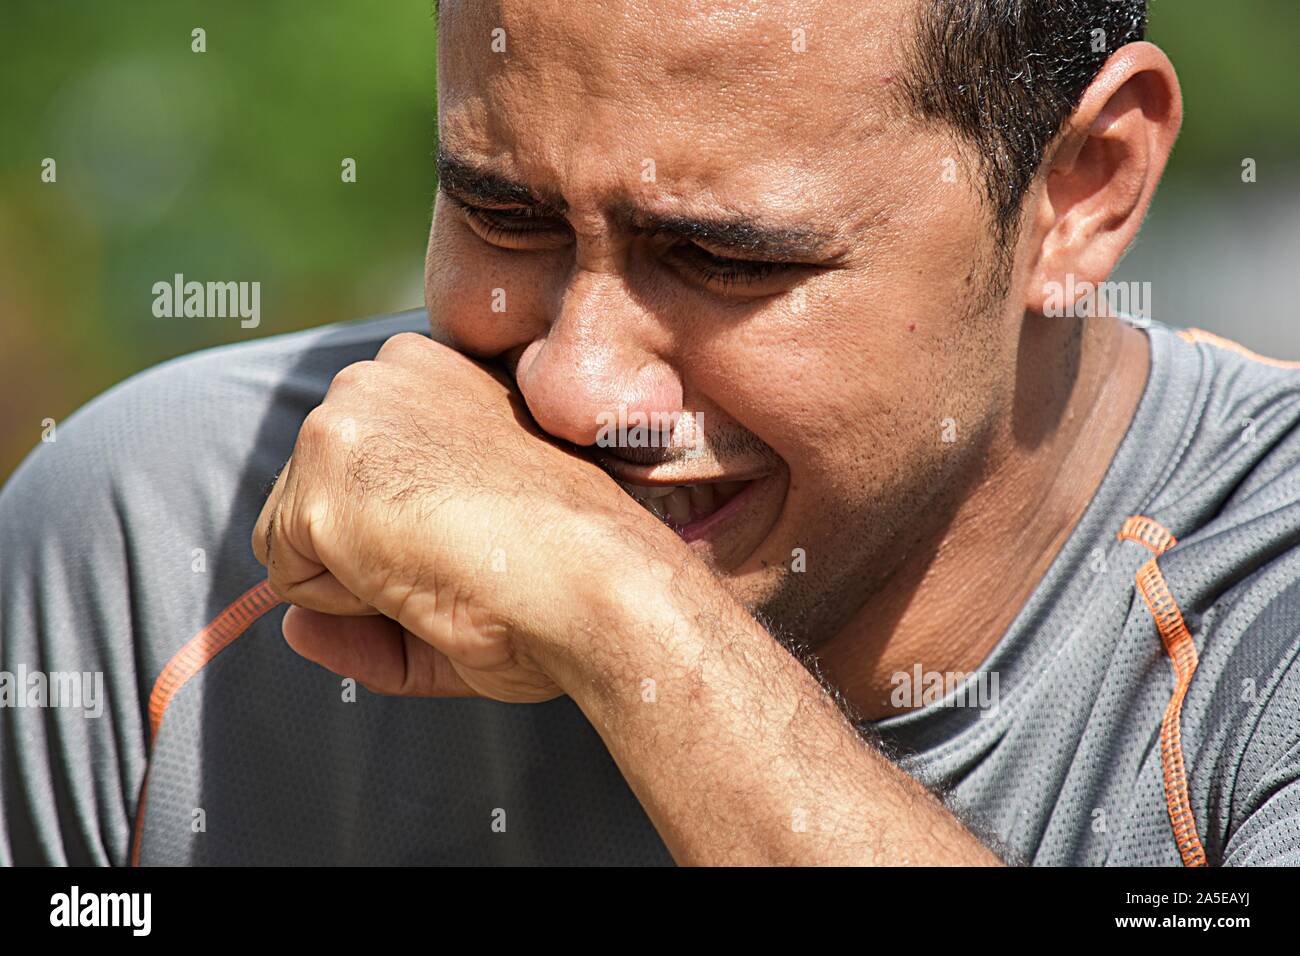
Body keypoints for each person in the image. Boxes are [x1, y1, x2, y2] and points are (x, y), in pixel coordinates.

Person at [3, 0, 1298, 866]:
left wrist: (623, 614)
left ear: (1085, 190)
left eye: (720, 257)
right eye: (504, 217)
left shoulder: (1264, 614)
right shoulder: (163, 538)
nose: (572, 389)